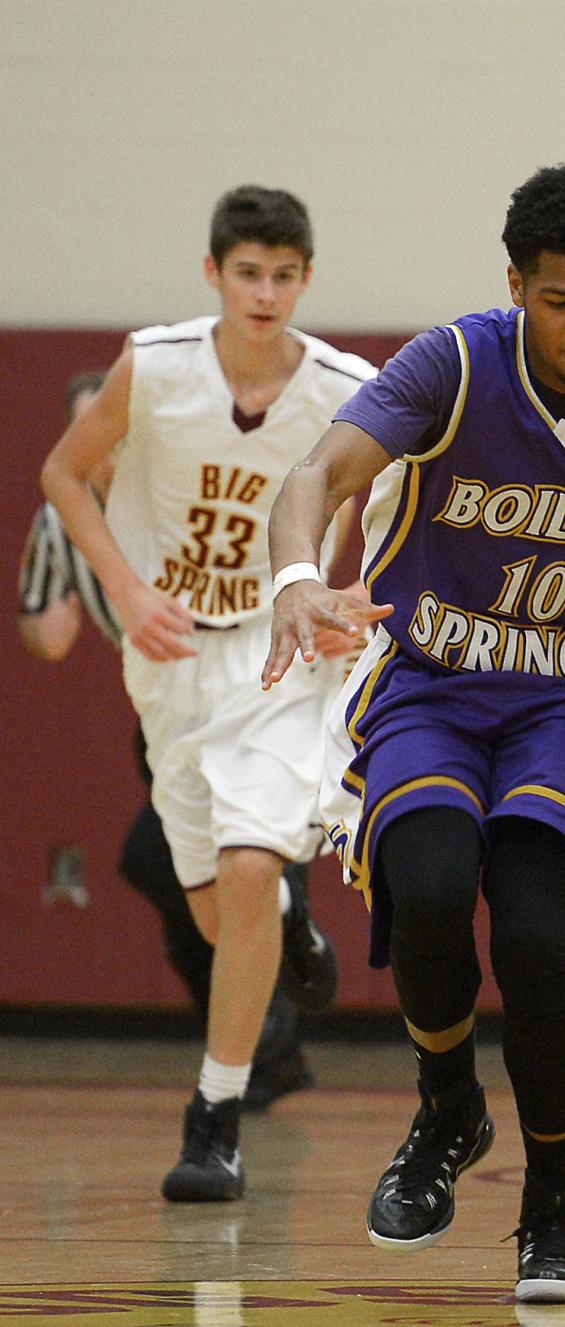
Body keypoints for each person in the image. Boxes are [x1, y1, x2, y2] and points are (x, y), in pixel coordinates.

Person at [260, 161, 565, 1304]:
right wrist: (295, 575)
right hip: (432, 677)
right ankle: (447, 1106)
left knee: (530, 933)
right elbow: (320, 471)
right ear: (516, 284)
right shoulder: (456, 363)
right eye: (560, 298)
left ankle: (550, 1209)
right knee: (426, 887)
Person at [40, 185, 366, 1200]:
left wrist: (335, 589)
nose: (265, 292)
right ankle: (290, 921)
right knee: (228, 912)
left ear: (306, 279)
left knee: (247, 861)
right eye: (247, 272)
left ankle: (215, 1114)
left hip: (277, 658)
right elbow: (63, 474)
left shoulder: (344, 385)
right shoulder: (159, 364)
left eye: (283, 274)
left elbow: (375, 496)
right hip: (175, 655)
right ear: (214, 273)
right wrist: (126, 587)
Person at [19, 372, 323, 1110]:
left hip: (252, 694)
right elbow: (49, 636)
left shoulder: (187, 494)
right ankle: (263, 1027)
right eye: (89, 440)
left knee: (229, 863)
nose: (106, 454)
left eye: (118, 435)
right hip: (164, 710)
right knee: (178, 872)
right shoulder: (65, 523)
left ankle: (260, 1040)